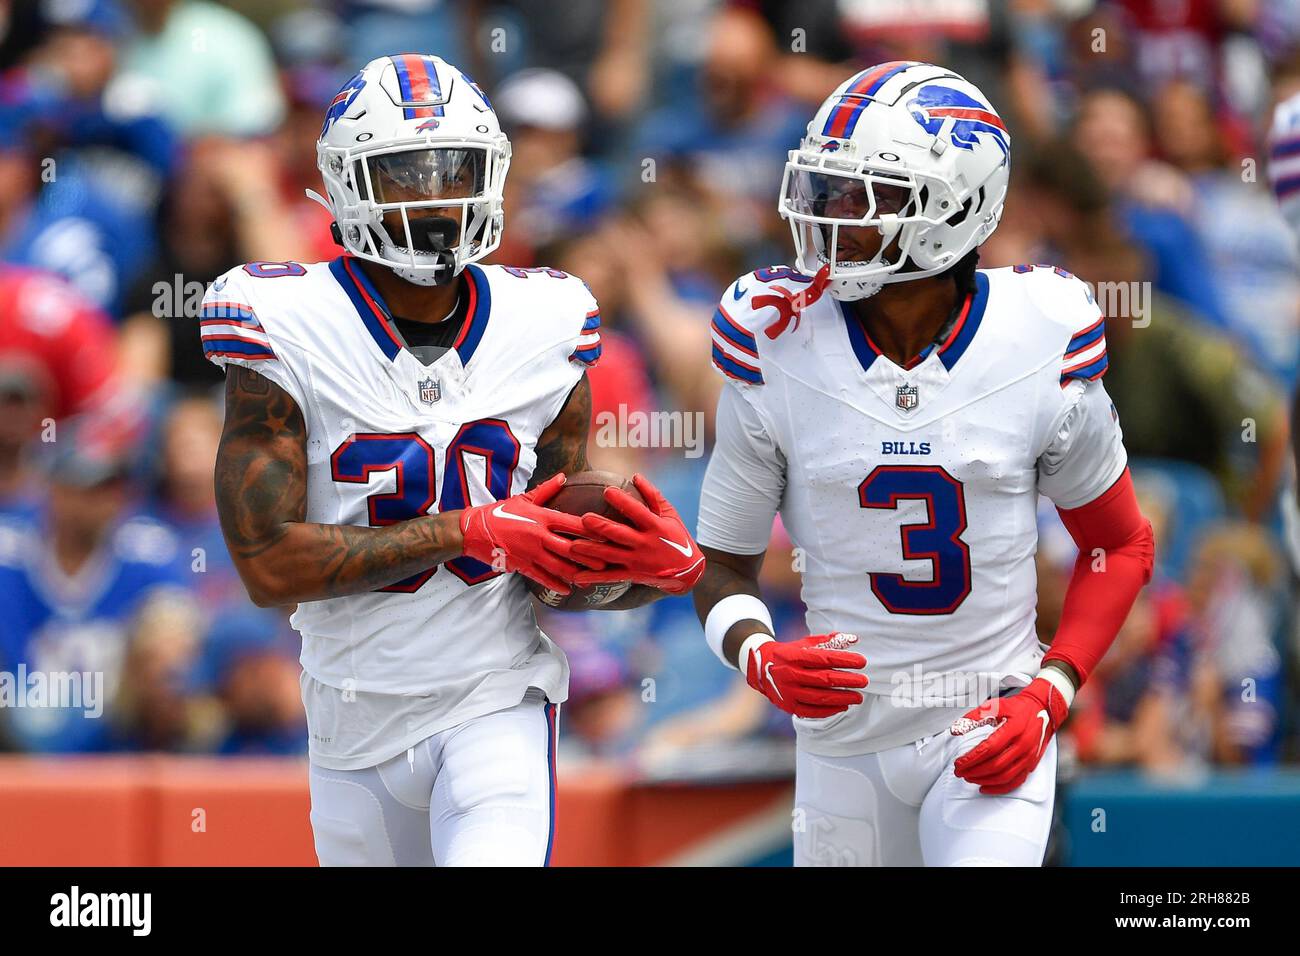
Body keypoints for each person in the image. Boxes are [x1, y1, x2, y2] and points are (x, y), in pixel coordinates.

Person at [204, 54, 704, 867]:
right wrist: (468, 530)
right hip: (350, 718)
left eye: (456, 171)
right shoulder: (282, 319)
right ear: (344, 184)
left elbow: (552, 570)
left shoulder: (547, 322)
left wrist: (640, 574)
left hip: (493, 701)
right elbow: (267, 565)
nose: (436, 197)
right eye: (405, 175)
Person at [692, 62, 1155, 866]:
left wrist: (1055, 689)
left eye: (861, 196)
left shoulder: (1038, 332)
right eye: (824, 187)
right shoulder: (775, 335)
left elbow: (1120, 544)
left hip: (986, 729)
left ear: (950, 207)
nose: (825, 215)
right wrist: (759, 654)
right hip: (843, 744)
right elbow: (721, 565)